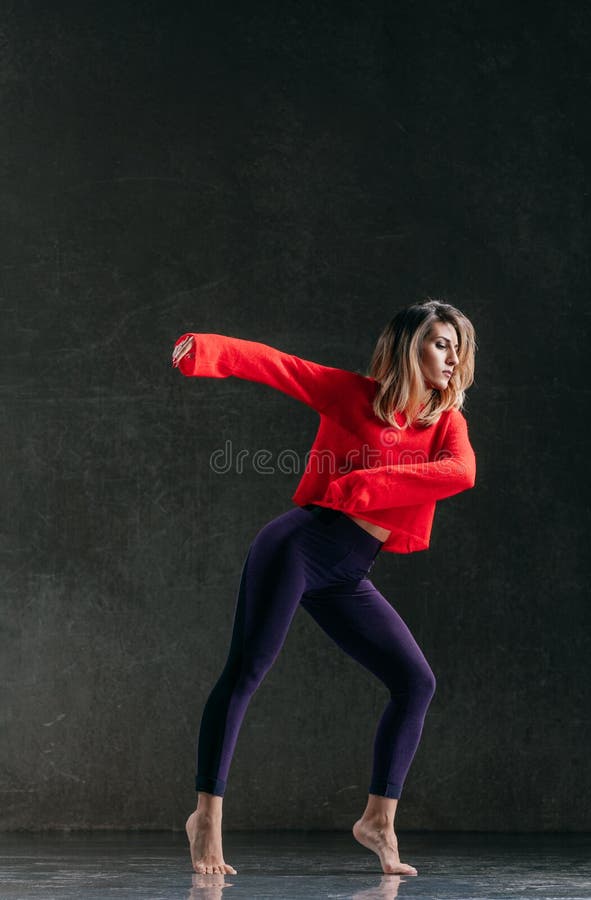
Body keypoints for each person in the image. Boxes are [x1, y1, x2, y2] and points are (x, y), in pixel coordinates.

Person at [171, 299, 477, 877]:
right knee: (246, 671)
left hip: (348, 572)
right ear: (410, 348)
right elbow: (273, 364)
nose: (452, 356)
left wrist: (370, 483)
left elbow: (461, 472)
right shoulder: (352, 395)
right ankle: (206, 818)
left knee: (415, 682)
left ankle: (378, 821)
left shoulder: (446, 423)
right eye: (440, 342)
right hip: (298, 546)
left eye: (457, 346)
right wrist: (204, 351)